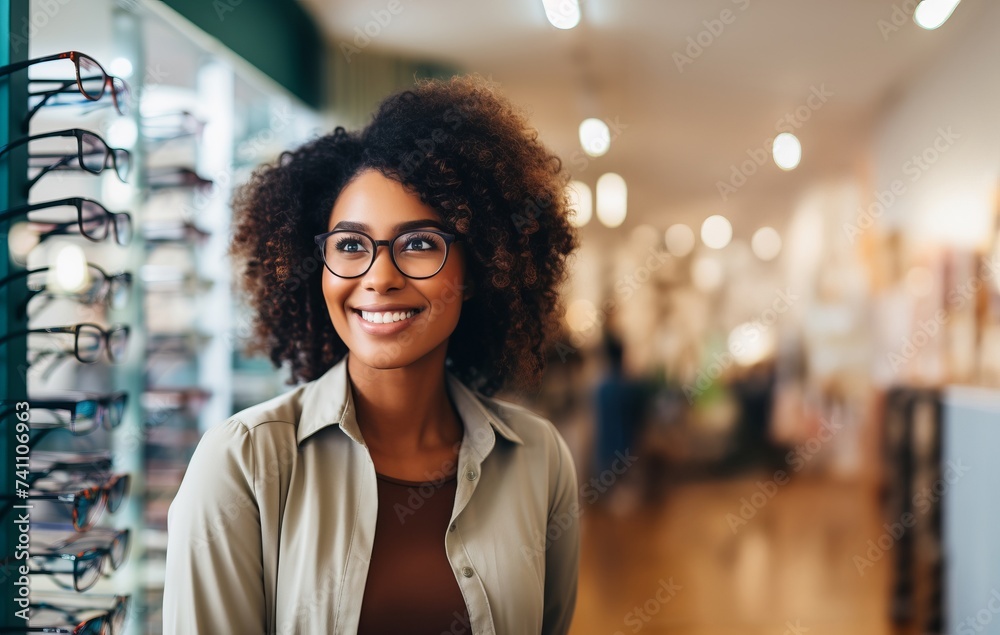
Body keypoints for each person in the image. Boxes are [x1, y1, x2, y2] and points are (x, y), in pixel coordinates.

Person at [161, 74, 582, 635]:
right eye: (352, 245)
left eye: (420, 244)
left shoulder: (538, 459)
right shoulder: (243, 465)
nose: (379, 278)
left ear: (480, 267)